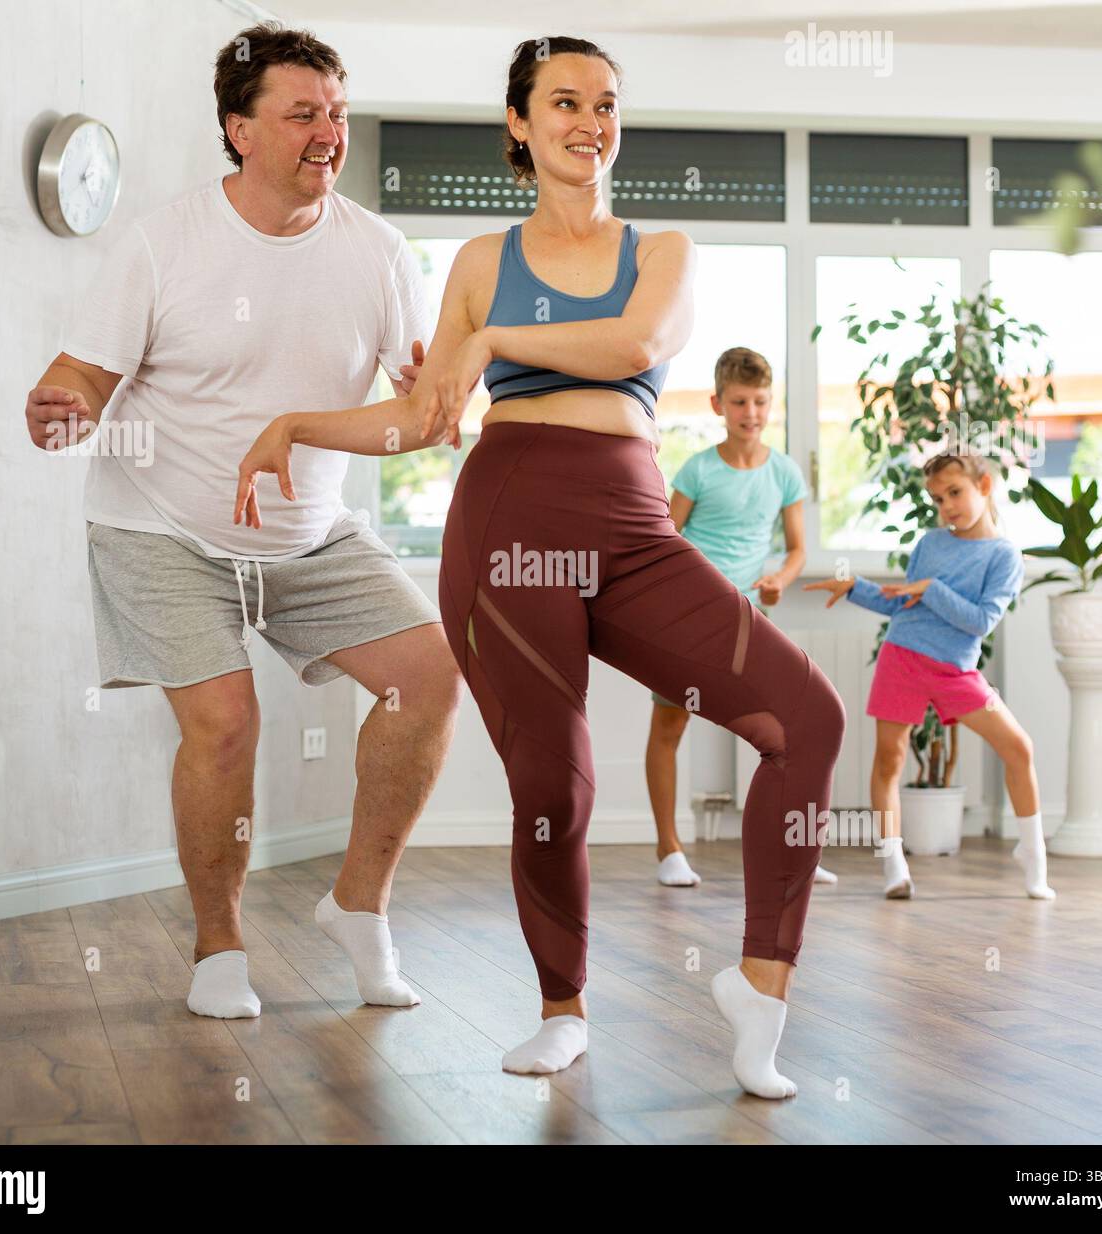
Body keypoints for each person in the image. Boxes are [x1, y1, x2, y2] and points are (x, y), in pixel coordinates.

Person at [235, 36, 846, 1099]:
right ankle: (561, 1009)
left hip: (635, 521)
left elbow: (630, 345)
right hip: (509, 519)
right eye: (563, 101)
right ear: (519, 123)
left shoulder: (661, 251)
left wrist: (487, 345)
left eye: (606, 103)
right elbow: (424, 423)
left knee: (806, 716)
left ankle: (758, 982)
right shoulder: (479, 260)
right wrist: (301, 423)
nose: (589, 121)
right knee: (555, 781)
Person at [23, 23, 462, 1020]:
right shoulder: (162, 242)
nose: (328, 132)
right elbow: (82, 376)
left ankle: (361, 904)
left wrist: (430, 407)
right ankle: (218, 945)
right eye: (303, 112)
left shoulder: (380, 253)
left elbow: (413, 418)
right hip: (164, 530)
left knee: (429, 677)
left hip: (310, 535)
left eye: (337, 113)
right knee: (225, 726)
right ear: (240, 129)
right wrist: (61, 404)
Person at [804, 451, 1052, 900]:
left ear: (985, 485)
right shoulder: (930, 544)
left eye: (954, 493)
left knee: (1018, 747)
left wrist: (932, 589)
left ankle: (1033, 857)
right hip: (903, 656)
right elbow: (904, 602)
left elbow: (979, 622)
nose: (946, 507)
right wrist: (855, 588)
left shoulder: (1004, 556)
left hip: (957, 669)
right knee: (890, 760)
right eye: (938, 499)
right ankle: (894, 865)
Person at [646, 346, 836, 890]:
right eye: (738, 402)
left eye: (759, 401)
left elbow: (798, 549)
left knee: (791, 726)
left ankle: (794, 845)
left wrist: (779, 578)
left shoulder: (784, 473)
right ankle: (669, 849)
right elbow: (664, 539)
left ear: (770, 404)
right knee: (670, 726)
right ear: (718, 404)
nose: (750, 412)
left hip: (747, 620)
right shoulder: (698, 471)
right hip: (687, 619)